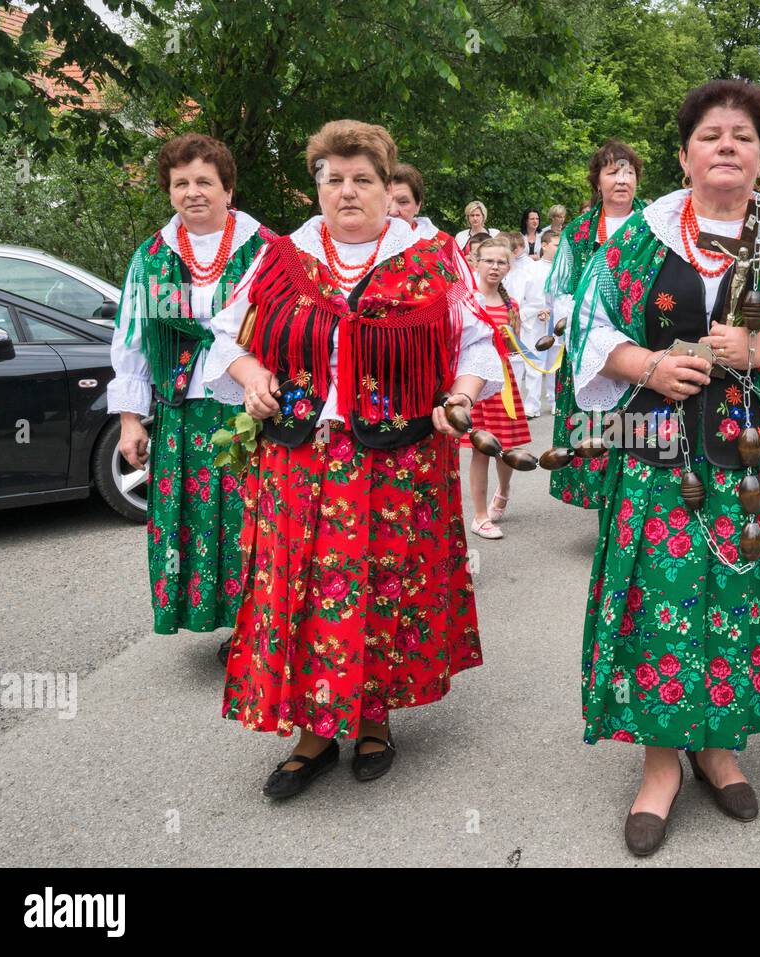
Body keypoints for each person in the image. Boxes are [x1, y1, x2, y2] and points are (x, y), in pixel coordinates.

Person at [568, 80, 760, 856]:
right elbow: (585, 338)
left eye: (742, 135)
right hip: (655, 454)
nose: (726, 145)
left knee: (740, 598)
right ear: (684, 154)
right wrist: (650, 365)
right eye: (710, 135)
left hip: (757, 461)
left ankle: (717, 744)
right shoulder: (637, 240)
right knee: (657, 603)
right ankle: (661, 765)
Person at [206, 120, 503, 797]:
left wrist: (459, 397)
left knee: (383, 589)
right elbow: (225, 335)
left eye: (362, 179)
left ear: (387, 186)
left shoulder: (431, 256)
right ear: (318, 187)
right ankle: (312, 734)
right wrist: (253, 376)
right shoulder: (281, 257)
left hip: (397, 460)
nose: (346, 191)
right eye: (332, 179)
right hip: (299, 461)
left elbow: (479, 344)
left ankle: (374, 721)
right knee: (305, 593)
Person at [107, 133, 271, 663]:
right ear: (170, 191)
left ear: (228, 189)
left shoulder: (266, 248)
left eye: (205, 181)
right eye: (182, 183)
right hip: (181, 408)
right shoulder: (153, 257)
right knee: (198, 515)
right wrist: (132, 420)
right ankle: (215, 614)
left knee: (252, 513)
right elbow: (131, 339)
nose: (193, 192)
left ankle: (258, 619)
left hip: (250, 403)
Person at [544, 139, 646, 510]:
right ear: (597, 181)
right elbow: (560, 290)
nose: (622, 179)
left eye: (629, 171)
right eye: (612, 171)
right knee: (595, 426)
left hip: (641, 342)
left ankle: (633, 501)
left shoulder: (654, 223)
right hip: (593, 345)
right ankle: (604, 504)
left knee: (639, 425)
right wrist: (574, 319)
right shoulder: (578, 231)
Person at [464, 236, 532, 539]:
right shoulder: (466, 299)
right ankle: (479, 516)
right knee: (481, 450)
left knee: (506, 449)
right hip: (476, 383)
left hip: (503, 385)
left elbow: (513, 348)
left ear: (509, 266)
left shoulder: (511, 304)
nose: (494, 266)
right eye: (488, 260)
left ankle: (503, 491)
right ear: (475, 262)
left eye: (500, 261)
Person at [510, 232, 559, 418]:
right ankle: (531, 405)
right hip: (535, 320)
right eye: (555, 244)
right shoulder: (532, 269)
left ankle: (555, 402)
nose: (559, 248)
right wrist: (533, 313)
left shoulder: (564, 269)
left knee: (555, 364)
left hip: (556, 320)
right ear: (544, 245)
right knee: (534, 363)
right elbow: (520, 298)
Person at [388, 162, 429, 229]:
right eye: (385, 202)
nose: (392, 212)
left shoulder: (442, 239)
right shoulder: (365, 237)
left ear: (417, 206)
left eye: (403, 202)